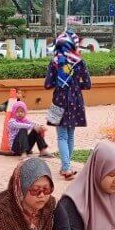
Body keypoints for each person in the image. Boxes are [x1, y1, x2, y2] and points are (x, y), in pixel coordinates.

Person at [44, 31, 91, 181]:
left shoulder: (54, 62)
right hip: (76, 101)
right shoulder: (80, 61)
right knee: (70, 136)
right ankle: (67, 166)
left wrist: (60, 83)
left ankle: (66, 168)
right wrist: (75, 86)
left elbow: (47, 84)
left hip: (58, 100)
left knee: (62, 136)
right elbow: (88, 84)